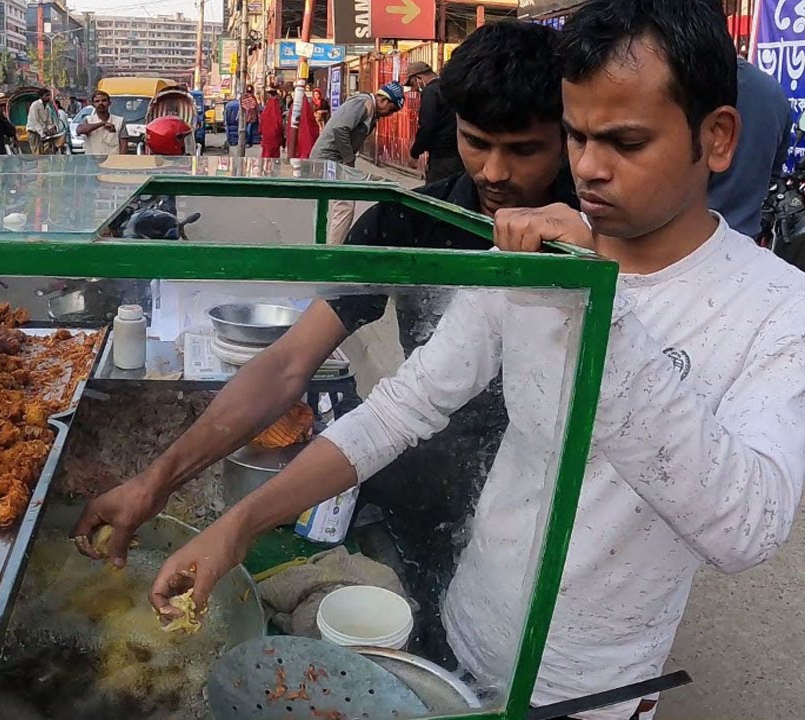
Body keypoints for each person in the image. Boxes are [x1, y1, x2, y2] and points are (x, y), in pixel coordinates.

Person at [143, 2, 805, 719]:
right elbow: (401, 410)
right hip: (466, 630)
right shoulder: (530, 261)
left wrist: (595, 303)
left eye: (625, 142)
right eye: (577, 136)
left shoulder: (774, 307)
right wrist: (237, 526)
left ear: (716, 137)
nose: (589, 168)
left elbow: (746, 528)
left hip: (590, 689)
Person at [75, 13, 574, 677]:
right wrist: (156, 480)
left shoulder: (590, 237)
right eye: (476, 142)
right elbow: (287, 363)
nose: (496, 171)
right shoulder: (410, 222)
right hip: (427, 487)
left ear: (570, 136)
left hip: (554, 516)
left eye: (525, 149)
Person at [310, 81, 405, 243]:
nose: (390, 114)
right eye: (392, 109)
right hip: (329, 157)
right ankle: (334, 248)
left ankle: (323, 244)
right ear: (383, 100)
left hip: (333, 158)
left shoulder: (370, 111)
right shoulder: (363, 104)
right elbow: (340, 129)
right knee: (344, 203)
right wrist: (349, 159)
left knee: (326, 202)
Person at [708, 56, 792, 236]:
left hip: (690, 242)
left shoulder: (690, 83)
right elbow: (774, 173)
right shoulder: (772, 91)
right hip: (746, 235)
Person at [406, 60, 463, 183]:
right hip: (459, 153)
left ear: (419, 78)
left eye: (412, 84)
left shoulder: (430, 92)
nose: (414, 89)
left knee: (437, 190)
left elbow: (427, 125)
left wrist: (415, 153)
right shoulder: (449, 87)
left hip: (441, 157)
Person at [79, 90, 129, 155]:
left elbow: (124, 145)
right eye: (97, 101)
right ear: (93, 105)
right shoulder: (88, 120)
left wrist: (120, 160)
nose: (100, 103)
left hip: (113, 159)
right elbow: (80, 130)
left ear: (109, 103)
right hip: (92, 160)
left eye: (104, 100)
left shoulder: (119, 121)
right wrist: (102, 123)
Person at [293, 86, 326, 160]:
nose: (317, 96)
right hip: (314, 120)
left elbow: (328, 110)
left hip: (321, 121)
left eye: (318, 94)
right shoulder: (311, 103)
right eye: (315, 94)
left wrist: (322, 112)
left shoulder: (323, 102)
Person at [26, 88, 62, 155]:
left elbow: (48, 122)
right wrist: (42, 133)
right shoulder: (35, 105)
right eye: (46, 95)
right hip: (34, 132)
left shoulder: (48, 107)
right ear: (41, 96)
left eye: (49, 95)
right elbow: (35, 122)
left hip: (43, 134)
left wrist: (51, 129)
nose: (48, 97)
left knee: (46, 153)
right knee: (37, 154)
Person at [259, 88, 285, 159]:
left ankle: (265, 165)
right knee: (275, 155)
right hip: (275, 137)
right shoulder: (277, 111)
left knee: (266, 154)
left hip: (266, 136)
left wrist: (261, 132)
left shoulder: (265, 111)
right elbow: (280, 124)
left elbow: (261, 122)